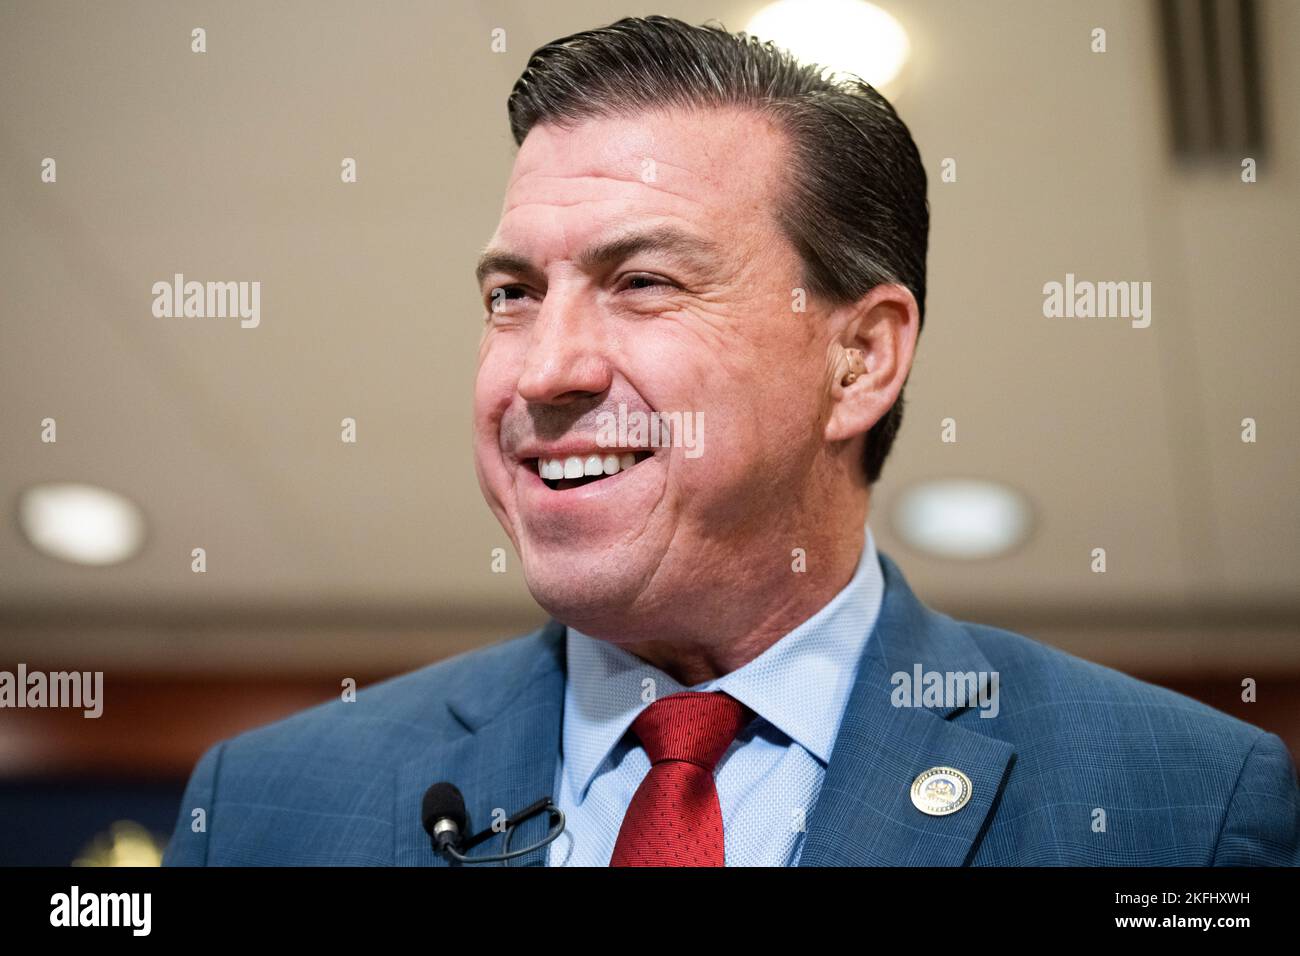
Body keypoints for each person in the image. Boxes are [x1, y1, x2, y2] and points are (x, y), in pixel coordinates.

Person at [164, 15, 1299, 867]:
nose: (542, 368)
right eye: (512, 293)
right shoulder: (268, 809)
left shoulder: (1180, 809)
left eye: (642, 280)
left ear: (858, 359)